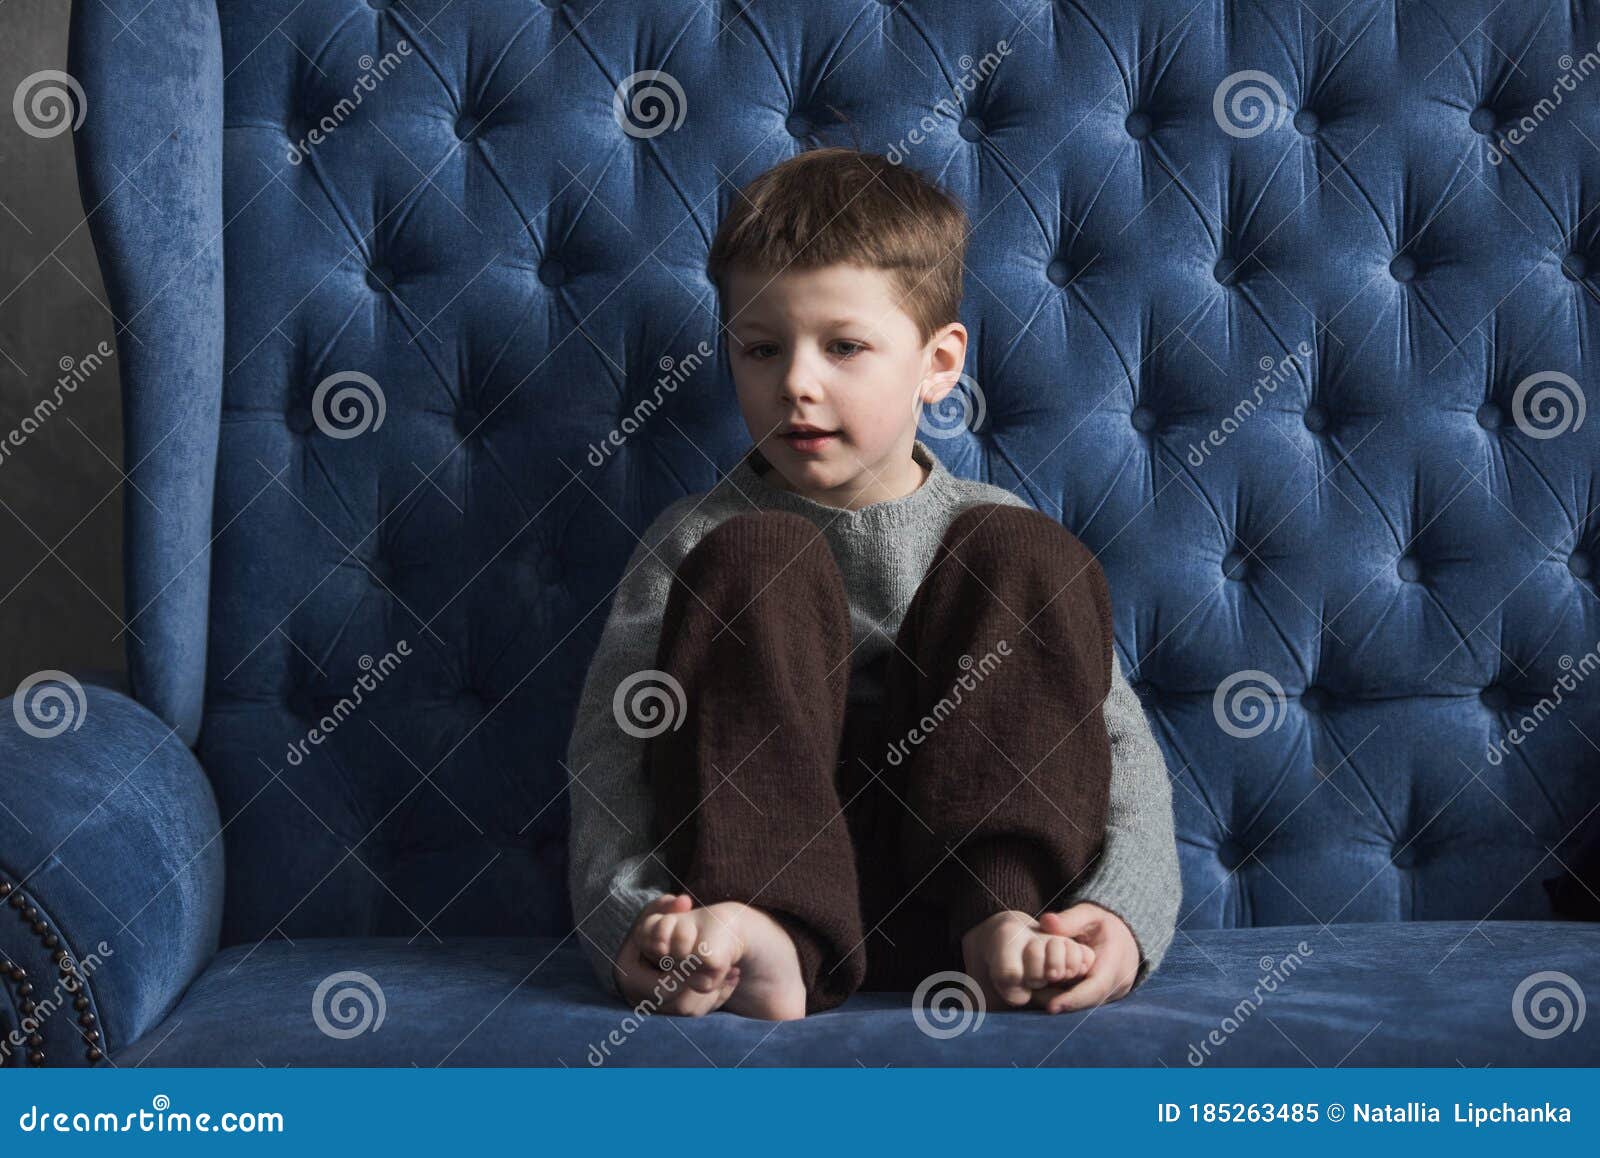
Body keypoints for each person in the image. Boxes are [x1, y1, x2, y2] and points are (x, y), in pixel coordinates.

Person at [565, 147, 1180, 1020]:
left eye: (845, 347)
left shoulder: (1001, 542)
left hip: (969, 906)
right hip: (750, 902)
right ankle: (772, 935)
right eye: (761, 349)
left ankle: (1002, 923)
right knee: (754, 554)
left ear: (938, 364)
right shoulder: (694, 542)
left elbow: (1121, 757)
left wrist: (1120, 915)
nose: (796, 384)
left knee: (1026, 550)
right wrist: (626, 922)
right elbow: (609, 760)